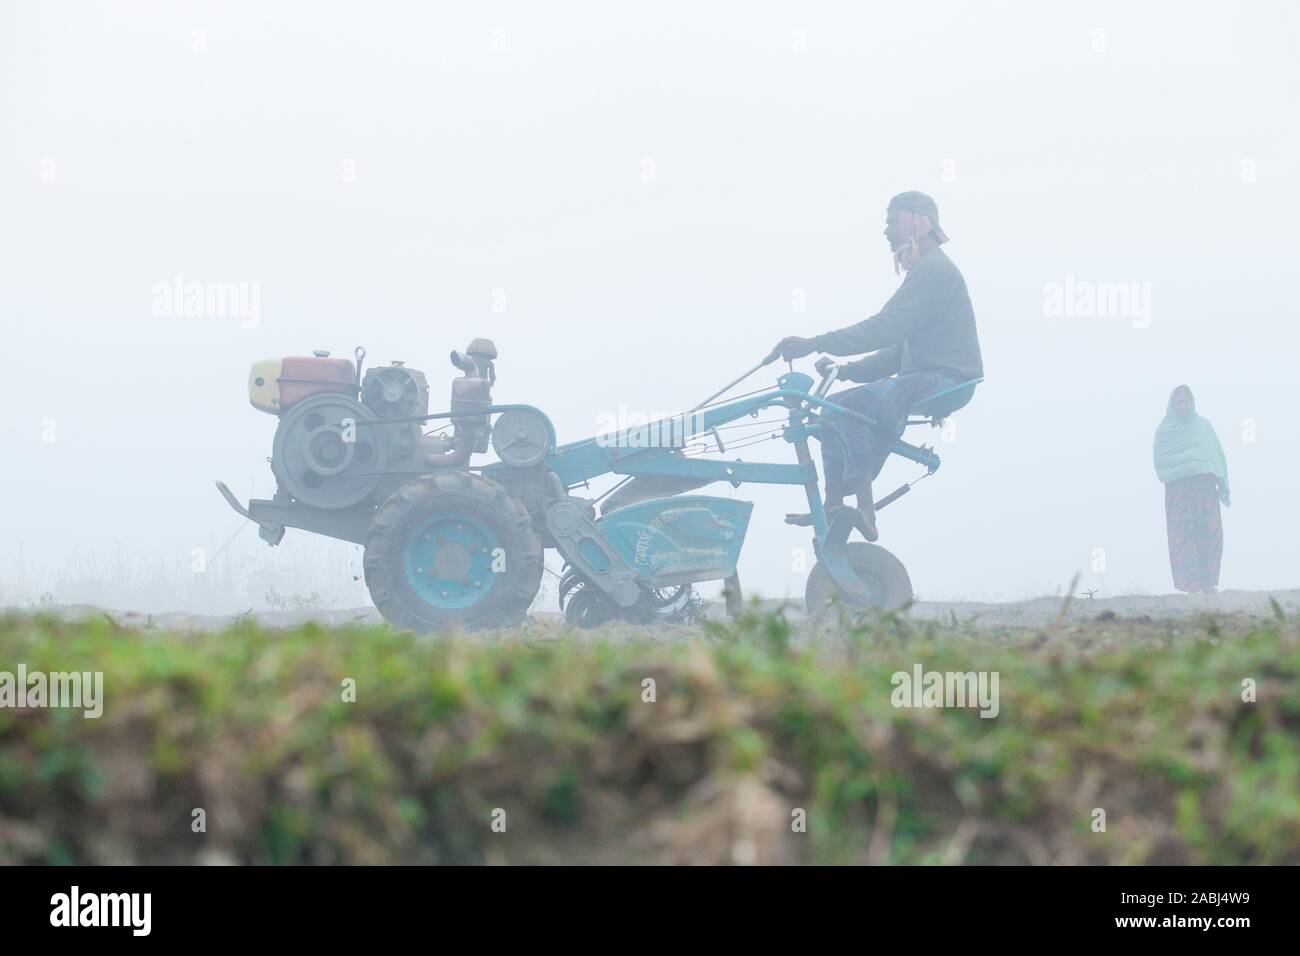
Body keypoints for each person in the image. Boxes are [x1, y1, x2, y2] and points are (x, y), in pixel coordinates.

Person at [770, 191, 983, 540]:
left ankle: (866, 513)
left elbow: (886, 327)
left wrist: (817, 343)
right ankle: (833, 504)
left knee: (852, 407)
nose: (886, 232)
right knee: (832, 408)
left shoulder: (934, 270)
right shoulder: (924, 273)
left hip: (947, 380)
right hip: (921, 376)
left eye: (891, 221)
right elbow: (895, 354)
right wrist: (847, 369)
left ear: (919, 222)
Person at [1153, 385, 1230, 594]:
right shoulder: (1164, 432)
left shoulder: (1203, 427)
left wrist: (1216, 477)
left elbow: (1216, 456)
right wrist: (1188, 466)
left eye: (1185, 401)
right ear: (1172, 405)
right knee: (1184, 537)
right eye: (1178, 402)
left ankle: (1208, 583)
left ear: (1192, 402)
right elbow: (1161, 461)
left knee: (1209, 534)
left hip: (1204, 490)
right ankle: (1191, 586)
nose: (1182, 406)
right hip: (1179, 493)